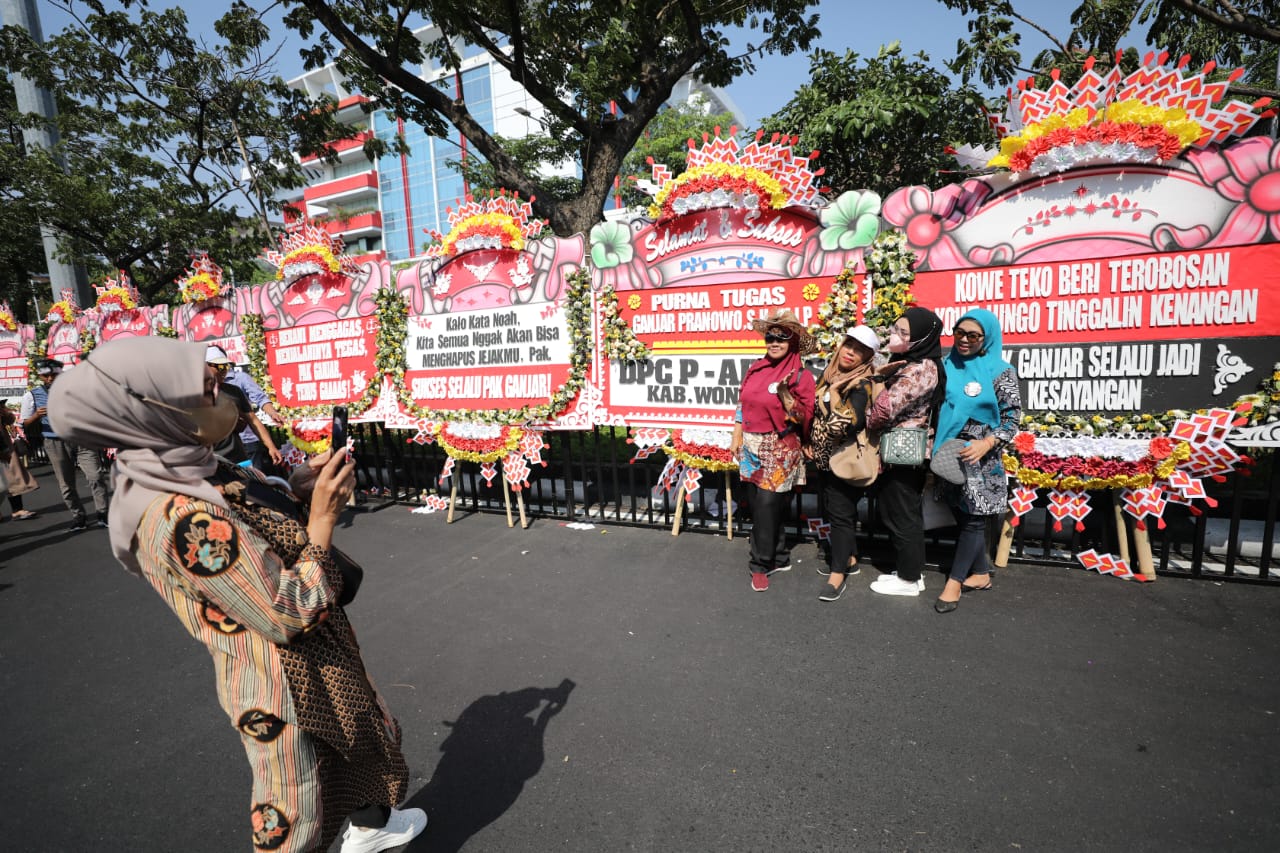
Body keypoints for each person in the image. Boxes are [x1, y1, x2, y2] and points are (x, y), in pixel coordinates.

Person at [47, 337, 426, 853]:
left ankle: (370, 827)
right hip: (282, 686)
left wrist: (293, 486)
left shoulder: (188, 463)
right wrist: (323, 519)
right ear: (153, 412)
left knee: (351, 751)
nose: (223, 400)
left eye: (218, 383)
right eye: (205, 391)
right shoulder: (179, 515)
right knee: (296, 808)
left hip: (310, 663)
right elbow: (287, 611)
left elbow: (249, 504)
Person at [931, 309, 1022, 614]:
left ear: (988, 337)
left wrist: (986, 442)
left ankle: (954, 583)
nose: (965, 340)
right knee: (961, 514)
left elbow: (1012, 420)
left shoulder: (1001, 371)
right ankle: (981, 574)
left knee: (973, 520)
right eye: (960, 333)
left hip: (981, 461)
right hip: (950, 453)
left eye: (974, 335)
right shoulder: (947, 366)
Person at [730, 309, 816, 592]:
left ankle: (760, 564)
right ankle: (779, 555)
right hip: (752, 445)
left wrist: (788, 399)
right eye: (771, 336)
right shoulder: (756, 367)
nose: (775, 341)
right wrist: (737, 434)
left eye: (783, 336)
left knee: (766, 506)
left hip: (780, 446)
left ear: (793, 342)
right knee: (759, 505)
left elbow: (805, 418)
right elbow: (743, 403)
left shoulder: (802, 377)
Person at [866, 307, 946, 597]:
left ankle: (909, 579)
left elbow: (882, 411)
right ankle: (909, 571)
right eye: (895, 328)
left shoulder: (920, 368)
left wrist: (874, 390)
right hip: (901, 450)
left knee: (901, 515)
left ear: (922, 338)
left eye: (903, 332)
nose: (894, 335)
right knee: (902, 512)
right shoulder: (911, 363)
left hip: (904, 451)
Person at [806, 325, 880, 602]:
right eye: (850, 346)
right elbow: (815, 415)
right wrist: (809, 442)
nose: (852, 353)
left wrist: (836, 397)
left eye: (860, 351)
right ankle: (848, 558)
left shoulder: (860, 384)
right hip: (824, 457)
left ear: (867, 358)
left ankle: (837, 576)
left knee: (840, 514)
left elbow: (850, 424)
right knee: (833, 508)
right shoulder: (829, 376)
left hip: (845, 457)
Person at [20, 357, 111, 531]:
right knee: (66, 484)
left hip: (82, 438)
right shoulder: (32, 395)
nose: (50, 379)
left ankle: (102, 513)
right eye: (45, 376)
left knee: (96, 477)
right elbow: (24, 424)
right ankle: (79, 517)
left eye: (53, 375)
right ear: (40, 376)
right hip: (54, 442)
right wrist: (37, 416)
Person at [206, 345, 283, 469]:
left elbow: (253, 419)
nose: (224, 370)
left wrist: (271, 447)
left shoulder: (234, 391)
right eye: (219, 366)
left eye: (226, 366)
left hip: (238, 458)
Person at [1, 405, 39, 519]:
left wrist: (5, 412)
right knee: (4, 484)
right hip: (4, 450)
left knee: (13, 478)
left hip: (5, 448)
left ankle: (17, 509)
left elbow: (10, 420)